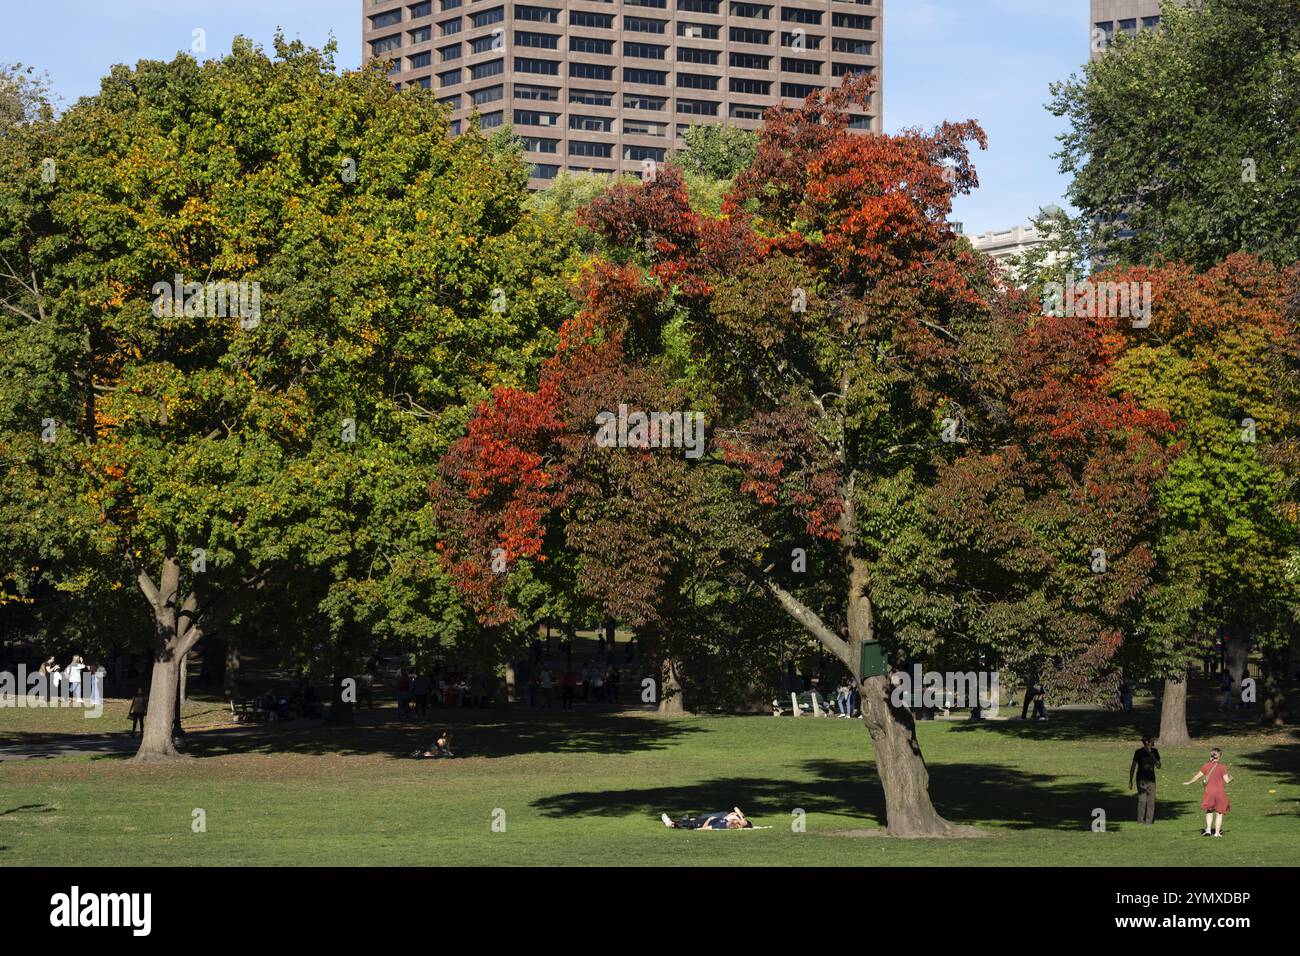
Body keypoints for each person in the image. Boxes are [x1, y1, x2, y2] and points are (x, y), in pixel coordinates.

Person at [1184, 747, 1233, 837]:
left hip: (1209, 792)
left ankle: (1208, 830)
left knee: (1209, 811)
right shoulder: (1222, 767)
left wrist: (1189, 782)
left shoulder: (1206, 766)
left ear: (1211, 755)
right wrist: (1231, 778)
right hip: (1219, 792)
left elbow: (1197, 776)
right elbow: (1227, 781)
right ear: (1219, 756)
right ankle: (1217, 833)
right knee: (1219, 813)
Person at [1129, 736, 1161, 824]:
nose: (1154, 741)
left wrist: (1153, 757)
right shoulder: (1139, 752)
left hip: (1151, 779)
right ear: (1147, 742)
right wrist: (1130, 780)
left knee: (1151, 801)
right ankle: (1140, 820)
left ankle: (1149, 821)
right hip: (1141, 779)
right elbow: (1133, 766)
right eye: (1152, 740)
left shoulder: (1155, 751)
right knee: (1142, 800)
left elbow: (1158, 766)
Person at [661, 807, 753, 830]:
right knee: (702, 818)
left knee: (701, 820)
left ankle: (680, 822)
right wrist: (741, 817)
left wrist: (739, 821)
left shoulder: (736, 824)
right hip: (722, 816)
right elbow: (736, 808)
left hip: (721, 818)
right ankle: (686, 821)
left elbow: (732, 824)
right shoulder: (741, 817)